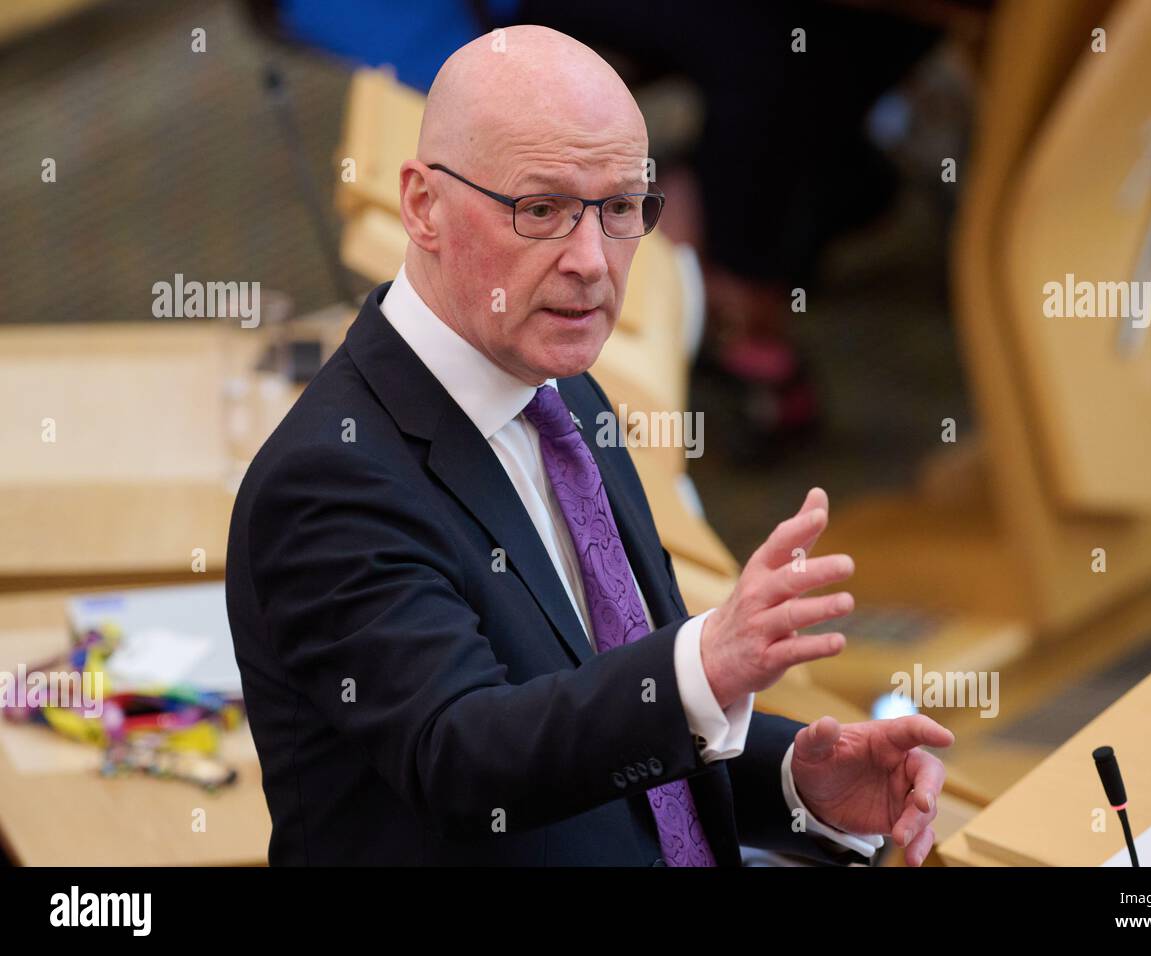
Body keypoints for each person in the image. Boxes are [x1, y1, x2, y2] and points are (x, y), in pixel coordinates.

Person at [225, 24, 954, 866]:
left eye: (619, 210)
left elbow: (611, 723)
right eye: (540, 210)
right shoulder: (329, 479)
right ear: (422, 206)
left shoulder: (564, 392)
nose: (591, 263)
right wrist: (700, 666)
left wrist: (796, 781)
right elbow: (464, 757)